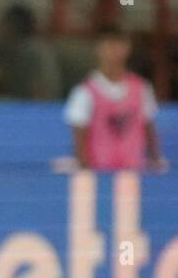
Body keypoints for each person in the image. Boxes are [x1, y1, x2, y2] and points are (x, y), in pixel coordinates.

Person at [63, 25, 164, 171]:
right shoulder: (84, 92)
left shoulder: (142, 88)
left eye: (119, 44)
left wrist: (154, 162)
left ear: (128, 48)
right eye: (109, 45)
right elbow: (79, 141)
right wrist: (86, 173)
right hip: (99, 175)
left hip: (132, 176)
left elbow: (149, 130)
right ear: (98, 48)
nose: (114, 51)